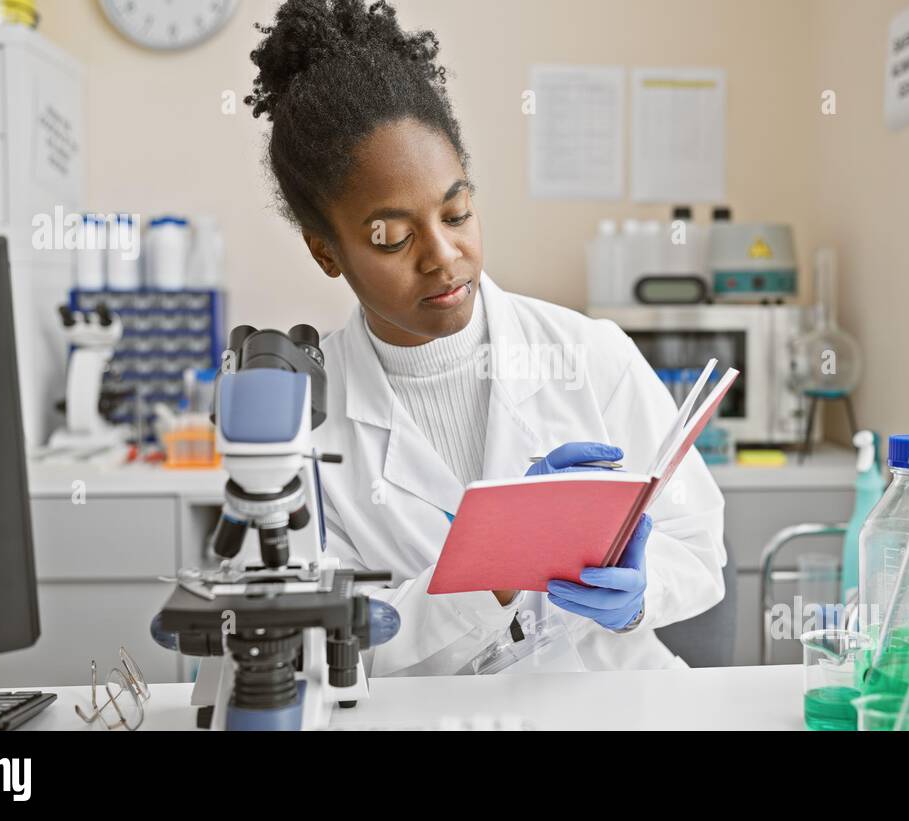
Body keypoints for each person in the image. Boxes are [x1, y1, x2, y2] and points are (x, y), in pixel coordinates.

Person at [247, 0, 725, 676]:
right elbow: (316, 644)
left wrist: (643, 592)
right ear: (326, 251)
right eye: (391, 236)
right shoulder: (303, 420)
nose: (444, 256)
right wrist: (494, 567)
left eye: (457, 211)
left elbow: (702, 551)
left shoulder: (590, 355)